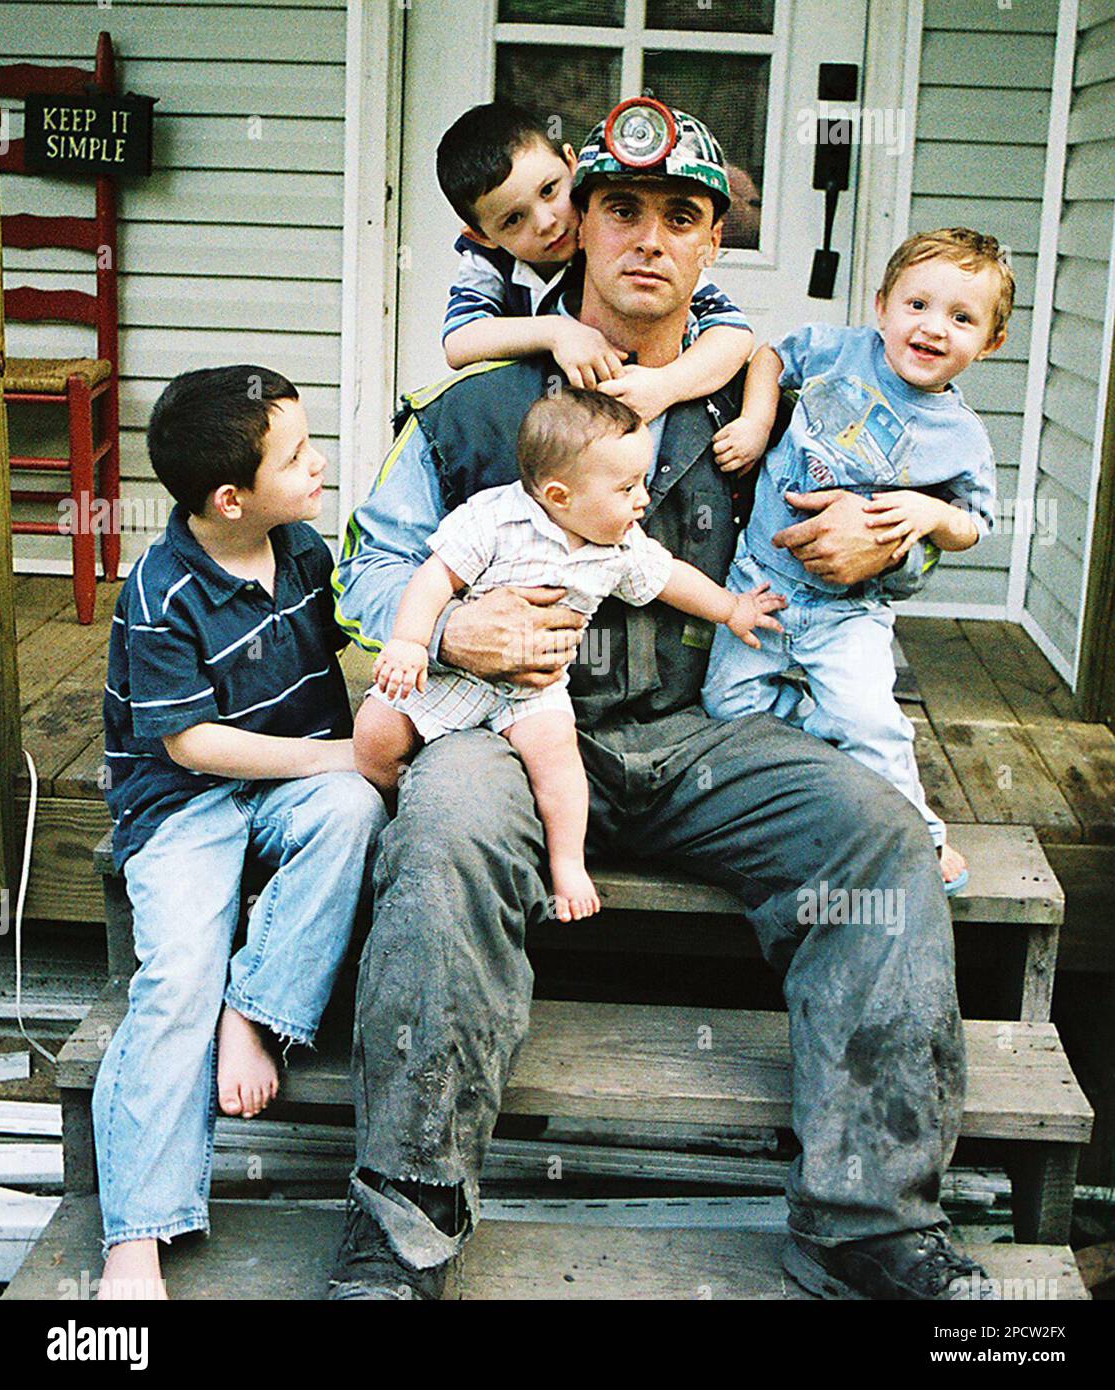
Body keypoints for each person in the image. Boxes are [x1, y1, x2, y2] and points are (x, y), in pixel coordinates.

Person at [329, 103, 996, 1302]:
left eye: (679, 217)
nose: (647, 238)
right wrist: (447, 626)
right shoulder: (474, 410)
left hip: (712, 735)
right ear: (574, 227)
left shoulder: (778, 406)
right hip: (510, 731)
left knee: (877, 837)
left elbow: (914, 519)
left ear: (712, 244)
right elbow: (363, 567)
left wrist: (887, 546)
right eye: (619, 209)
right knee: (437, 834)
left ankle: (864, 1223)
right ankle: (405, 1232)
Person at [93, 366, 387, 1299]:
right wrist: (340, 757)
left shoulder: (300, 550)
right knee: (177, 974)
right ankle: (135, 1233)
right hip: (181, 801)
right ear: (230, 498)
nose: (323, 465)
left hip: (295, 783)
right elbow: (192, 742)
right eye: (299, 456)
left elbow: (365, 638)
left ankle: (253, 1010)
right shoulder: (160, 589)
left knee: (356, 811)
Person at [357, 388, 785, 921]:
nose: (643, 501)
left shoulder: (621, 545)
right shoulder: (493, 519)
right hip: (457, 673)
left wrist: (731, 610)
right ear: (560, 496)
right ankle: (394, 811)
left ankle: (567, 864)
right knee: (374, 735)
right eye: (627, 488)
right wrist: (410, 642)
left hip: (534, 688)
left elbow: (671, 578)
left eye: (643, 483)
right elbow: (433, 578)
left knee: (558, 761)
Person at [704, 228, 1013, 893]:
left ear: (991, 342)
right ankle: (824, 731)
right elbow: (768, 358)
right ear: (881, 307)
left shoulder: (960, 436)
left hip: (850, 611)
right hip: (761, 582)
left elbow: (974, 525)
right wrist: (759, 422)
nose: (934, 328)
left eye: (962, 319)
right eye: (918, 305)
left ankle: (920, 837)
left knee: (872, 723)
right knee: (727, 703)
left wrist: (931, 514)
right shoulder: (837, 350)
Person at [437, 99, 754, 422]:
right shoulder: (485, 261)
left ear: (571, 165)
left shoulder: (629, 250)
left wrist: (667, 386)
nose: (546, 222)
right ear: (482, 236)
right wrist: (558, 332)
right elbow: (459, 340)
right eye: (513, 219)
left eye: (549, 190)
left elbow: (734, 332)